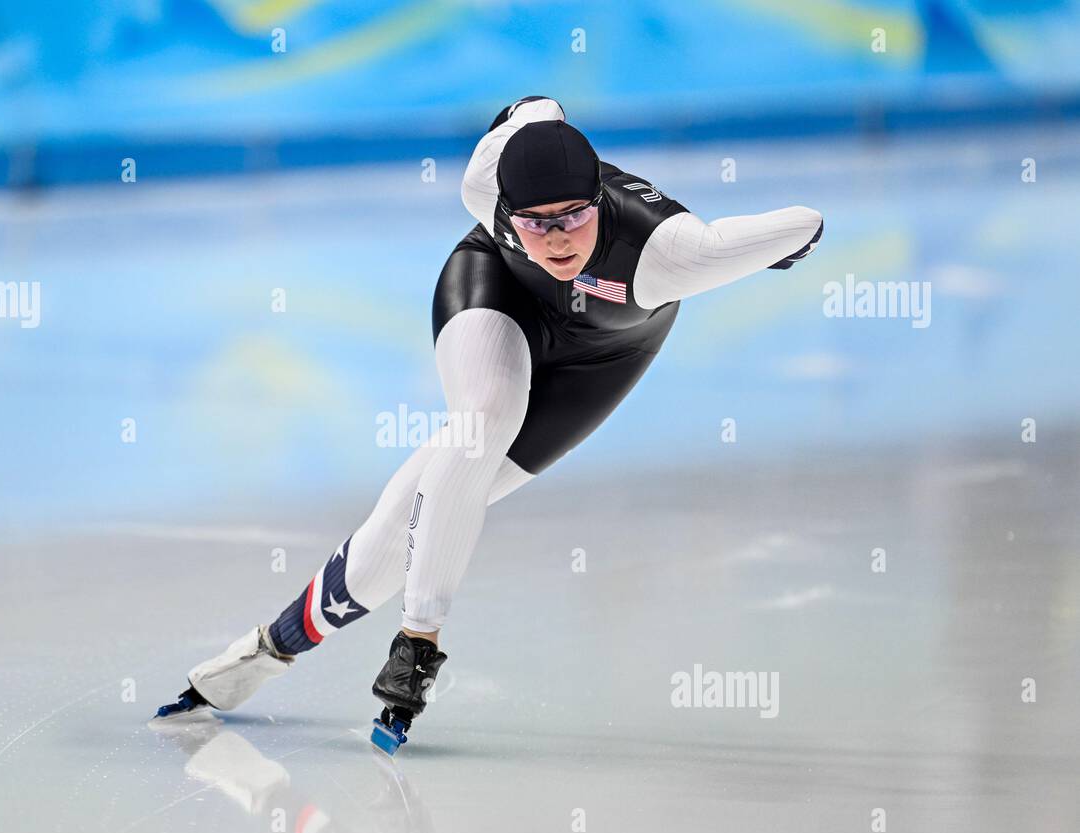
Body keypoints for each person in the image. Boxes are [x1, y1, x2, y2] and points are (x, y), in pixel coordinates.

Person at [157, 96, 823, 751]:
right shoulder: (482, 187)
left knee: (399, 532)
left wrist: (789, 246)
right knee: (480, 423)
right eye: (535, 222)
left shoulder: (673, 252)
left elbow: (805, 220)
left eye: (573, 217)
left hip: (604, 357)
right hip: (498, 292)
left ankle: (267, 650)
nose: (558, 238)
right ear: (504, 211)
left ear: (600, 202)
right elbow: (532, 106)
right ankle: (417, 643)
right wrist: (536, 113)